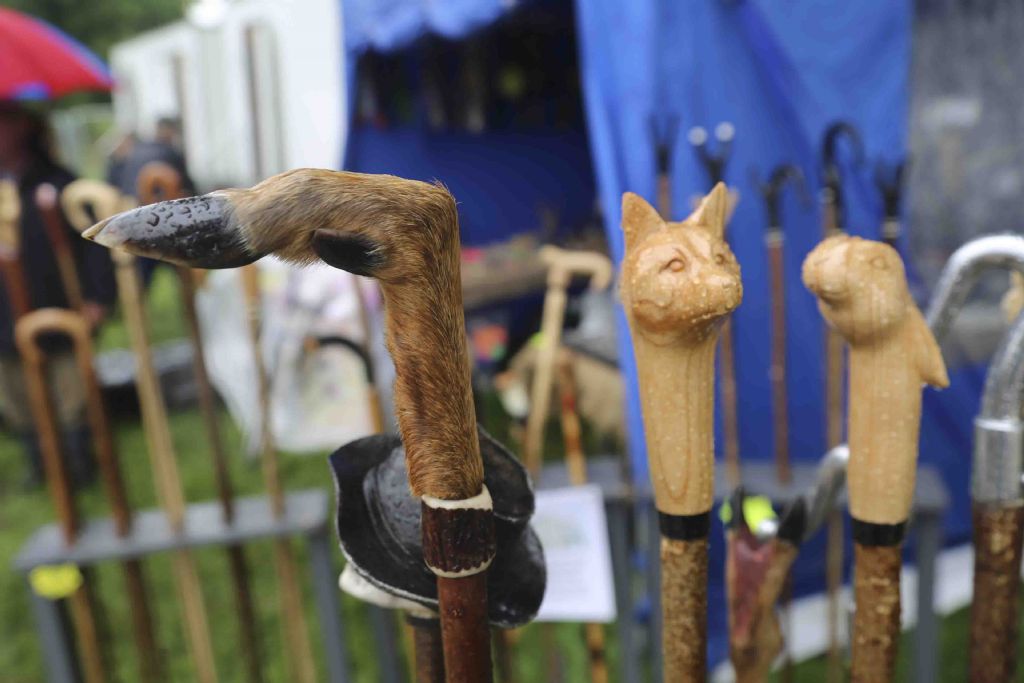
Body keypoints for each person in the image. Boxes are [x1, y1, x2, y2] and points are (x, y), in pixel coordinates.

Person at [0, 101, 116, 488]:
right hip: (3, 319)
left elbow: (92, 243)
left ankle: (79, 468)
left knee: (71, 398)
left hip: (59, 306)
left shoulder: (57, 181)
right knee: (17, 400)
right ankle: (42, 467)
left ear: (24, 127)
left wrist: (97, 298)